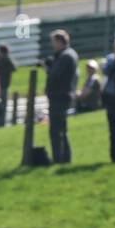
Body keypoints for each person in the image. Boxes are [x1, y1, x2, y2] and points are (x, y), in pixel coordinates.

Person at [43, 29, 79, 164]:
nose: (53, 45)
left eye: (54, 42)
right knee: (61, 129)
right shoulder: (66, 55)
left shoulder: (66, 56)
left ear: (59, 41)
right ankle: (64, 158)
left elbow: (55, 74)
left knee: (56, 130)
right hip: (61, 95)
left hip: (60, 95)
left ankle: (60, 158)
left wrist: (47, 69)